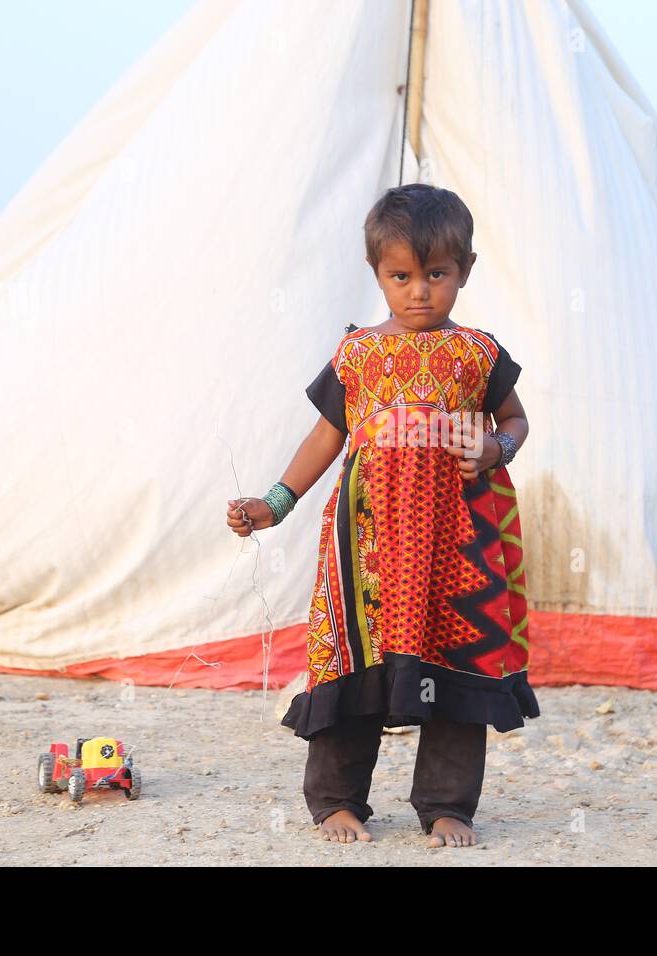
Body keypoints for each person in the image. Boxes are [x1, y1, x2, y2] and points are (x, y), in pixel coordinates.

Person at [226, 183, 538, 848]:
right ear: (377, 273)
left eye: (436, 275)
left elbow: (515, 420)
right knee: (351, 658)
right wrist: (274, 503)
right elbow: (325, 438)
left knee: (458, 662)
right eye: (401, 276)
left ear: (465, 271)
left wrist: (494, 448)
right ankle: (337, 799)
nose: (418, 291)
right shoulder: (356, 354)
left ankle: (448, 804)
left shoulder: (478, 354)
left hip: (458, 542)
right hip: (365, 543)